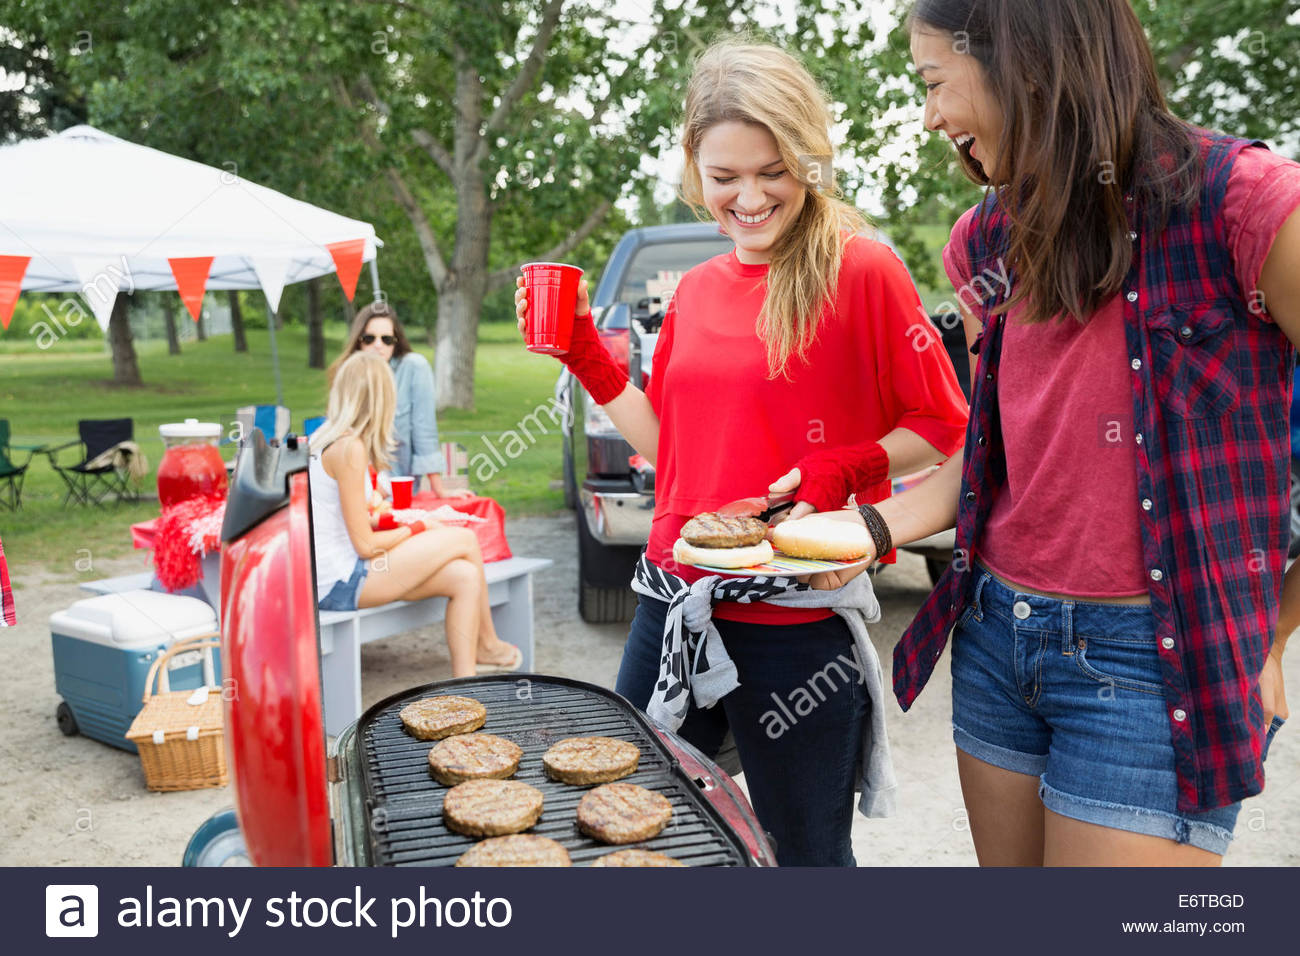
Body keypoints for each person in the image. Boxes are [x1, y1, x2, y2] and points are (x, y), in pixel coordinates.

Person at [789, 0, 1297, 865]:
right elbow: (994, 455)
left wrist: (1273, 630)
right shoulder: (985, 240)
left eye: (935, 83)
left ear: (1025, 61)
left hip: (1153, 660)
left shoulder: (1244, 204)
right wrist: (866, 526)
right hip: (997, 638)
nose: (930, 116)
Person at [516, 41, 969, 865]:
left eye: (774, 171)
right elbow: (669, 449)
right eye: (725, 177)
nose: (750, 197)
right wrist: (587, 354)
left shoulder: (861, 270)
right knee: (627, 829)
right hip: (671, 603)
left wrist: (853, 468)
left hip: (794, 624)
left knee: (806, 861)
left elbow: (944, 424)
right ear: (694, 165)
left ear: (808, 161)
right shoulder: (695, 286)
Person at [309, 351, 521, 676]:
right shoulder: (349, 448)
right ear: (382, 399)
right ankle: (489, 644)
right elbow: (365, 546)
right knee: (464, 537)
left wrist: (407, 523)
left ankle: (465, 682)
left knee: (464, 577)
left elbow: (355, 520)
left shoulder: (326, 438)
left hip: (338, 573)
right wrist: (420, 526)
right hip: (343, 581)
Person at [328, 301, 472, 499]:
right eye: (369, 338)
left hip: (394, 485)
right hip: (352, 481)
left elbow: (424, 431)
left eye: (386, 339)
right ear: (358, 341)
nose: (378, 345)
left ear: (396, 342)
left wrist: (440, 490)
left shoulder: (414, 368)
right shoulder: (348, 374)